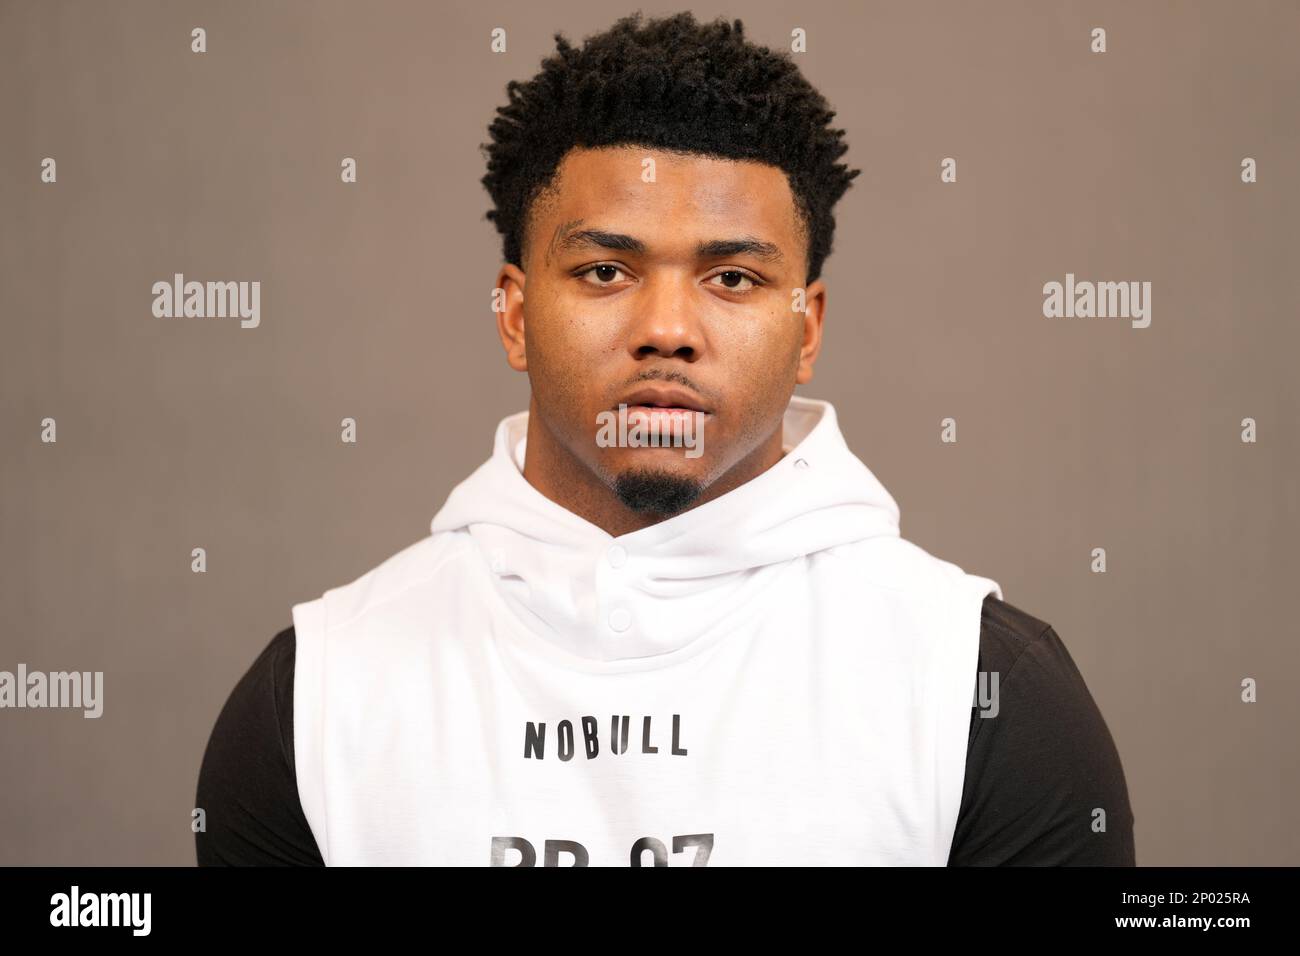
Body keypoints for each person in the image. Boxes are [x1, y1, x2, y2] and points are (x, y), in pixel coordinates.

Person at [196, 11, 1134, 866]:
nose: (668, 328)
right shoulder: (318, 701)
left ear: (807, 330)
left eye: (732, 279)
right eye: (606, 270)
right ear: (514, 314)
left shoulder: (982, 691)